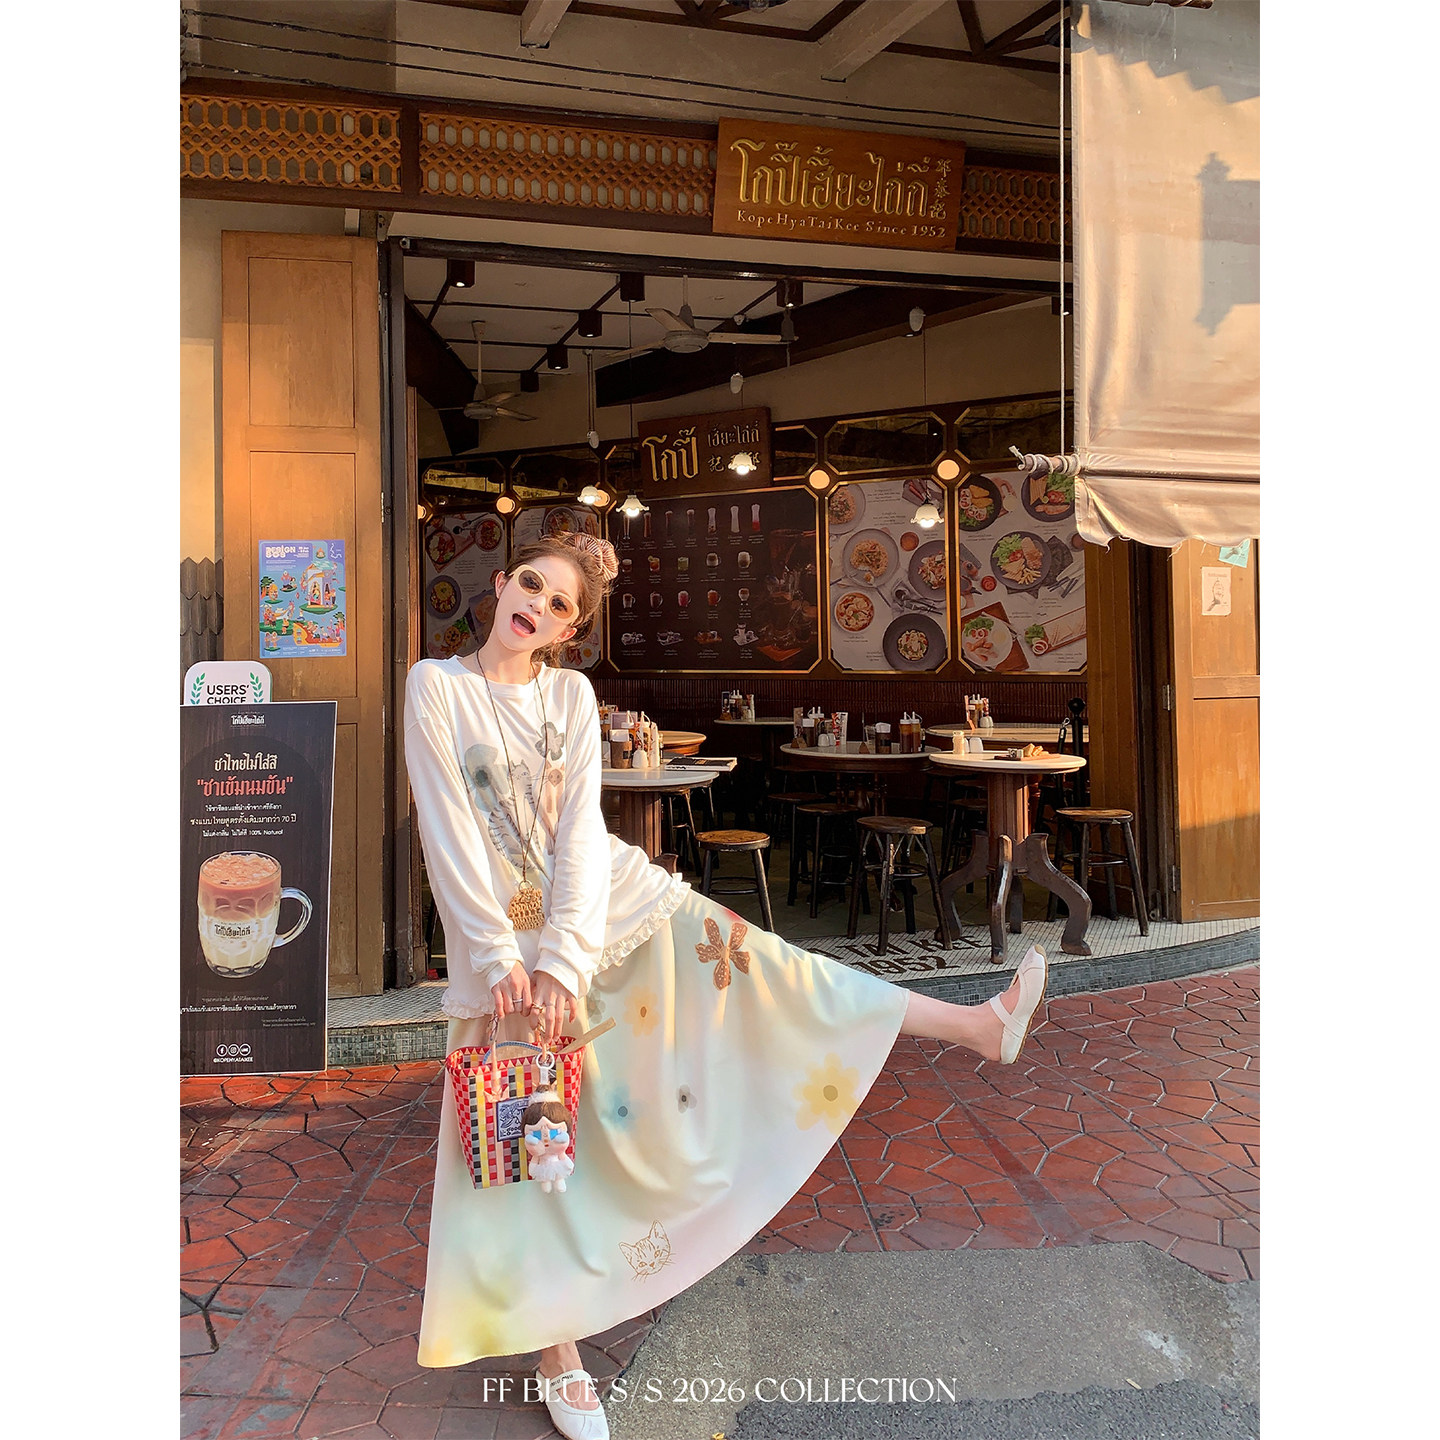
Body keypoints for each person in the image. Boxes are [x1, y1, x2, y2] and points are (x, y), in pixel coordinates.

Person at [404, 532, 1048, 1440]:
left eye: (559, 606)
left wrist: (561, 960)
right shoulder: (437, 686)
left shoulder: (570, 697)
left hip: (610, 909)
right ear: (503, 582)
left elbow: (580, 832)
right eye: (532, 585)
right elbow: (447, 827)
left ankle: (975, 1026)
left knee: (772, 973)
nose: (536, 607)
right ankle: (559, 1356)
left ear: (569, 631)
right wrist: (504, 958)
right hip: (501, 953)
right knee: (530, 1134)